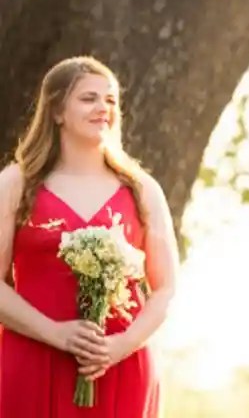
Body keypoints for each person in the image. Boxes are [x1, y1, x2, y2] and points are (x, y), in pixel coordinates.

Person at [0, 56, 180, 417]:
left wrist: (119, 346)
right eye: (89, 98)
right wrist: (56, 334)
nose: (103, 108)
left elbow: (166, 289)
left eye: (111, 100)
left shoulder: (141, 189)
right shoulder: (16, 183)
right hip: (33, 359)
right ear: (56, 111)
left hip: (121, 366)